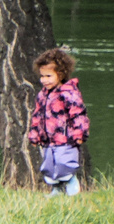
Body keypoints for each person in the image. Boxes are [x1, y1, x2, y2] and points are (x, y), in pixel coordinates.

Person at [27, 47, 89, 197]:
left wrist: (79, 133)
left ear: (60, 74)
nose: (44, 80)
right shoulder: (42, 95)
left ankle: (71, 182)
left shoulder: (69, 93)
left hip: (66, 139)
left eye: (48, 76)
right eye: (42, 76)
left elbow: (78, 114)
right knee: (49, 165)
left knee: (64, 162)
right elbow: (37, 116)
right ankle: (57, 189)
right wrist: (35, 135)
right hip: (48, 140)